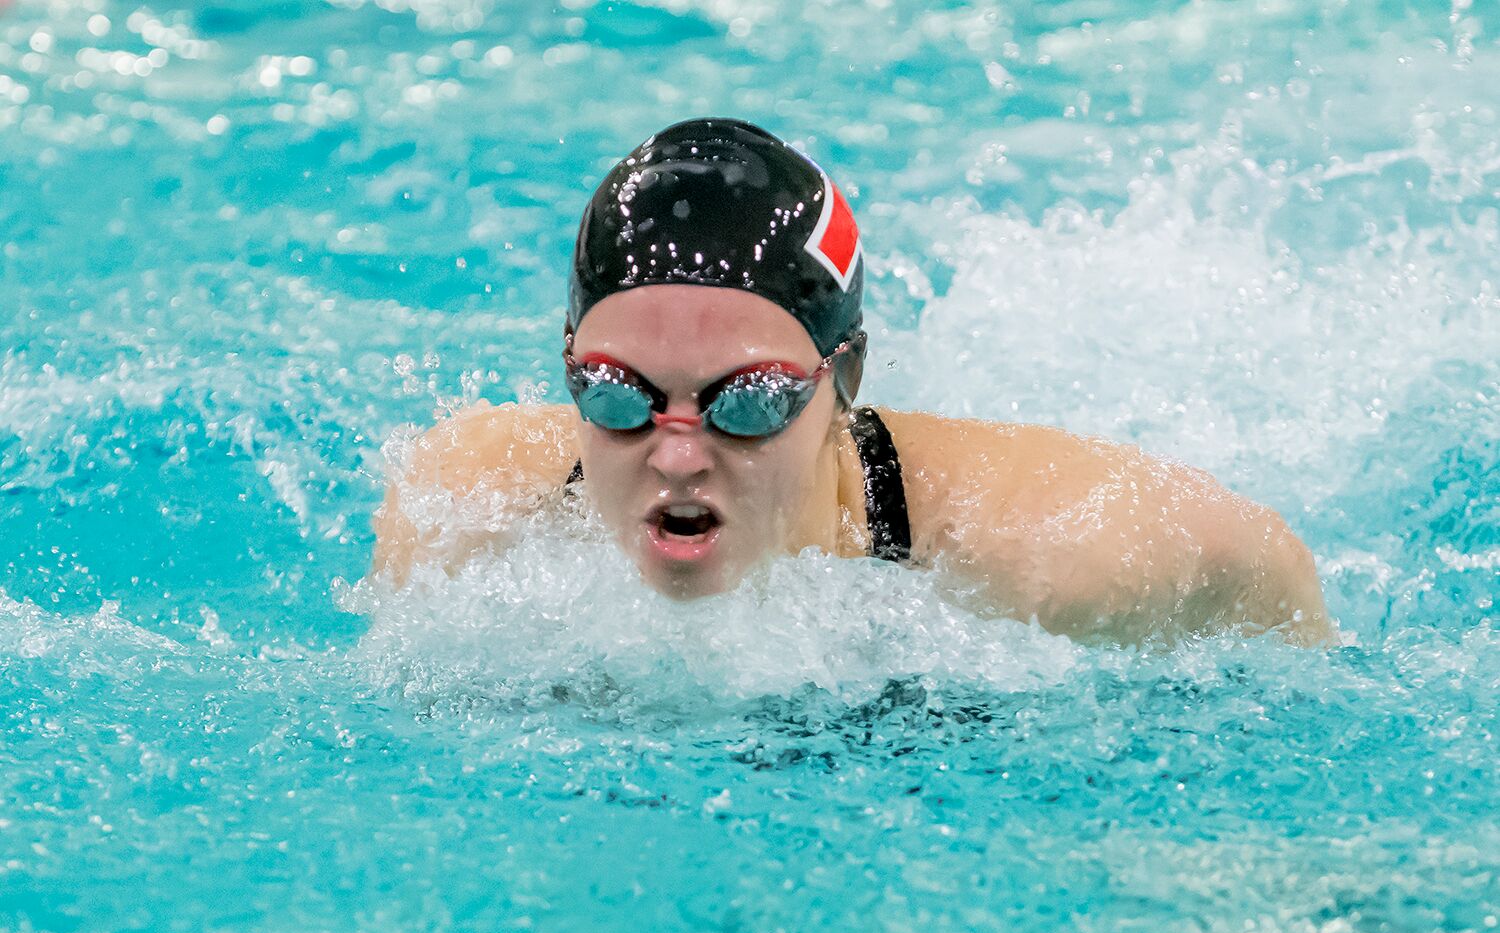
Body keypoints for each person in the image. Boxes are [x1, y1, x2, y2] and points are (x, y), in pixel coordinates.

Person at [373, 117, 1335, 646]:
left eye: (748, 401)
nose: (677, 456)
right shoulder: (468, 514)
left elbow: (1266, 572)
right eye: (619, 394)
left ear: (844, 382)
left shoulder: (1047, 554)